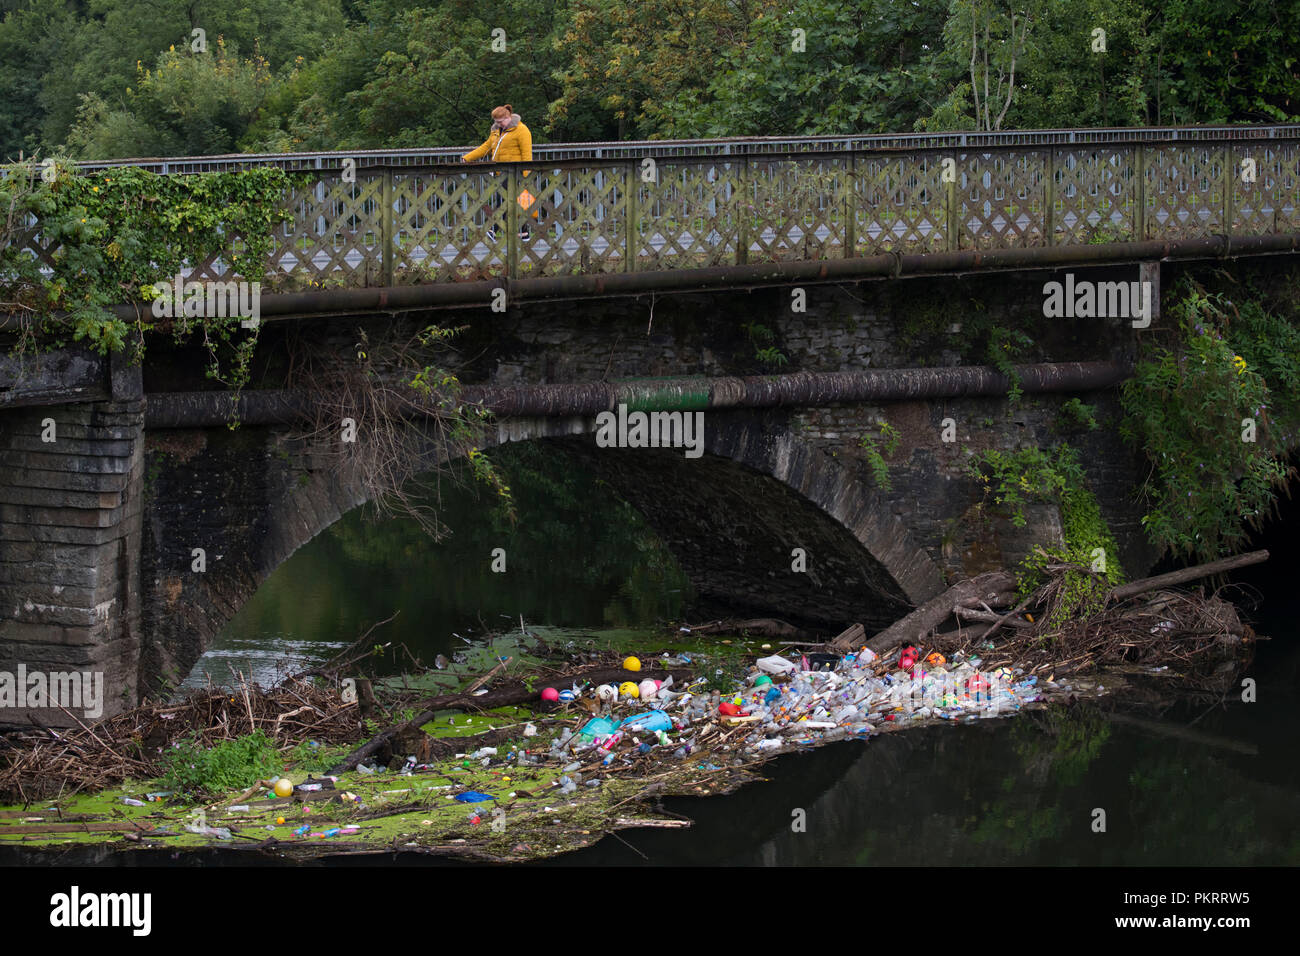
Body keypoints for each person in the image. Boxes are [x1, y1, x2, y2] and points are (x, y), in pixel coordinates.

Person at [462, 105, 534, 241]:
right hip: (499, 173)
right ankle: (524, 233)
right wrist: (467, 157)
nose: (498, 124)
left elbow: (527, 155)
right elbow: (486, 147)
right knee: (512, 203)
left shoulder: (522, 130)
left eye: (501, 121)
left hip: (514, 173)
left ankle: (492, 230)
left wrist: (526, 177)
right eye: (496, 121)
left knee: (504, 202)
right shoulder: (496, 131)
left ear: (508, 117)